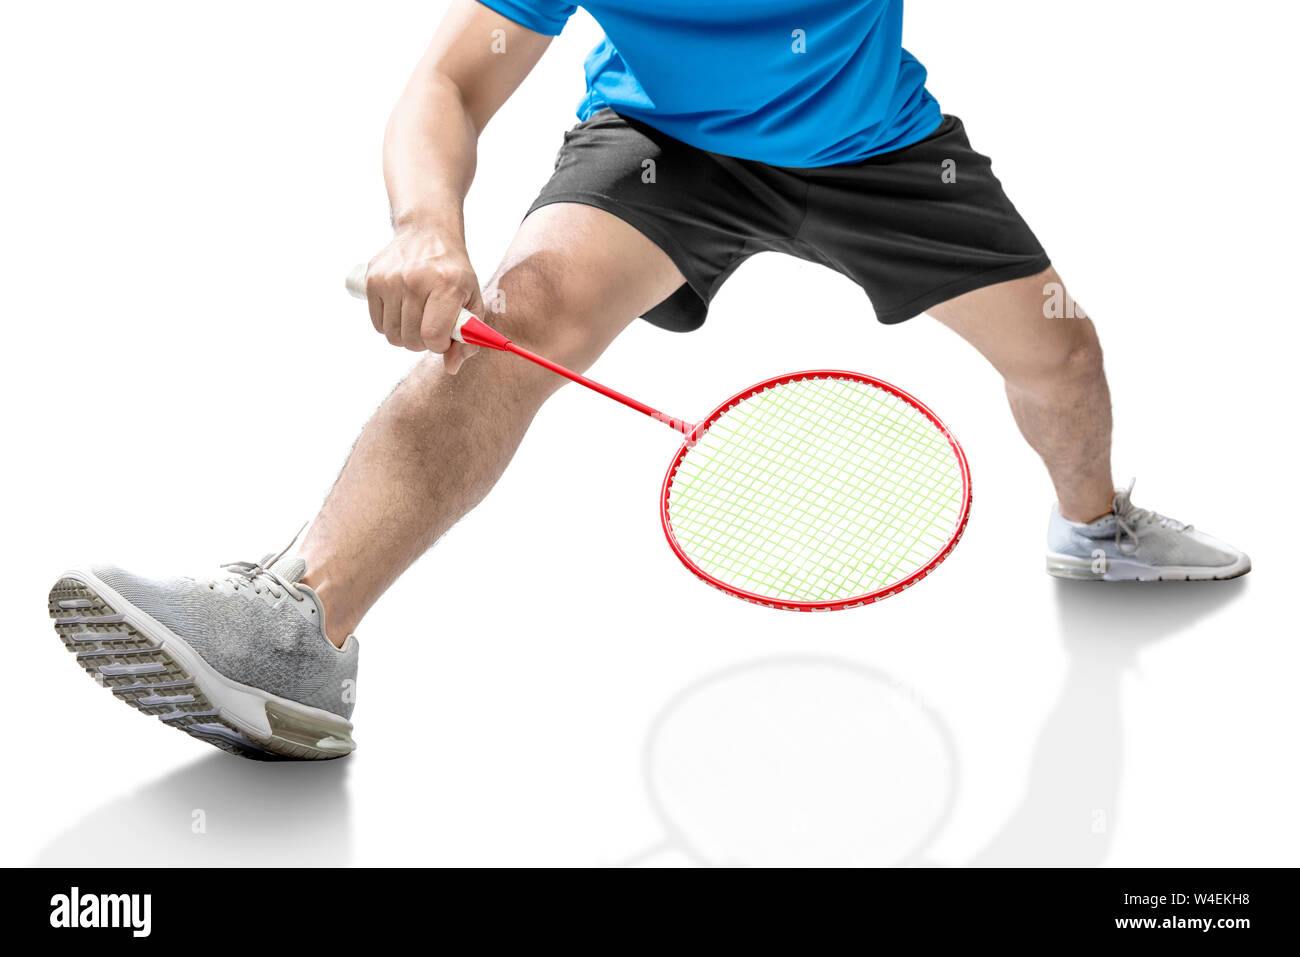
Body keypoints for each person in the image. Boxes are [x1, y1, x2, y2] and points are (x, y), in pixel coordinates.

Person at [48, 0, 1248, 760]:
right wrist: (425, 222)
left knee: (1063, 347)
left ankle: (1094, 529)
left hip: (880, 151)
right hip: (662, 149)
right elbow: (450, 81)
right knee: (514, 323)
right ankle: (295, 622)